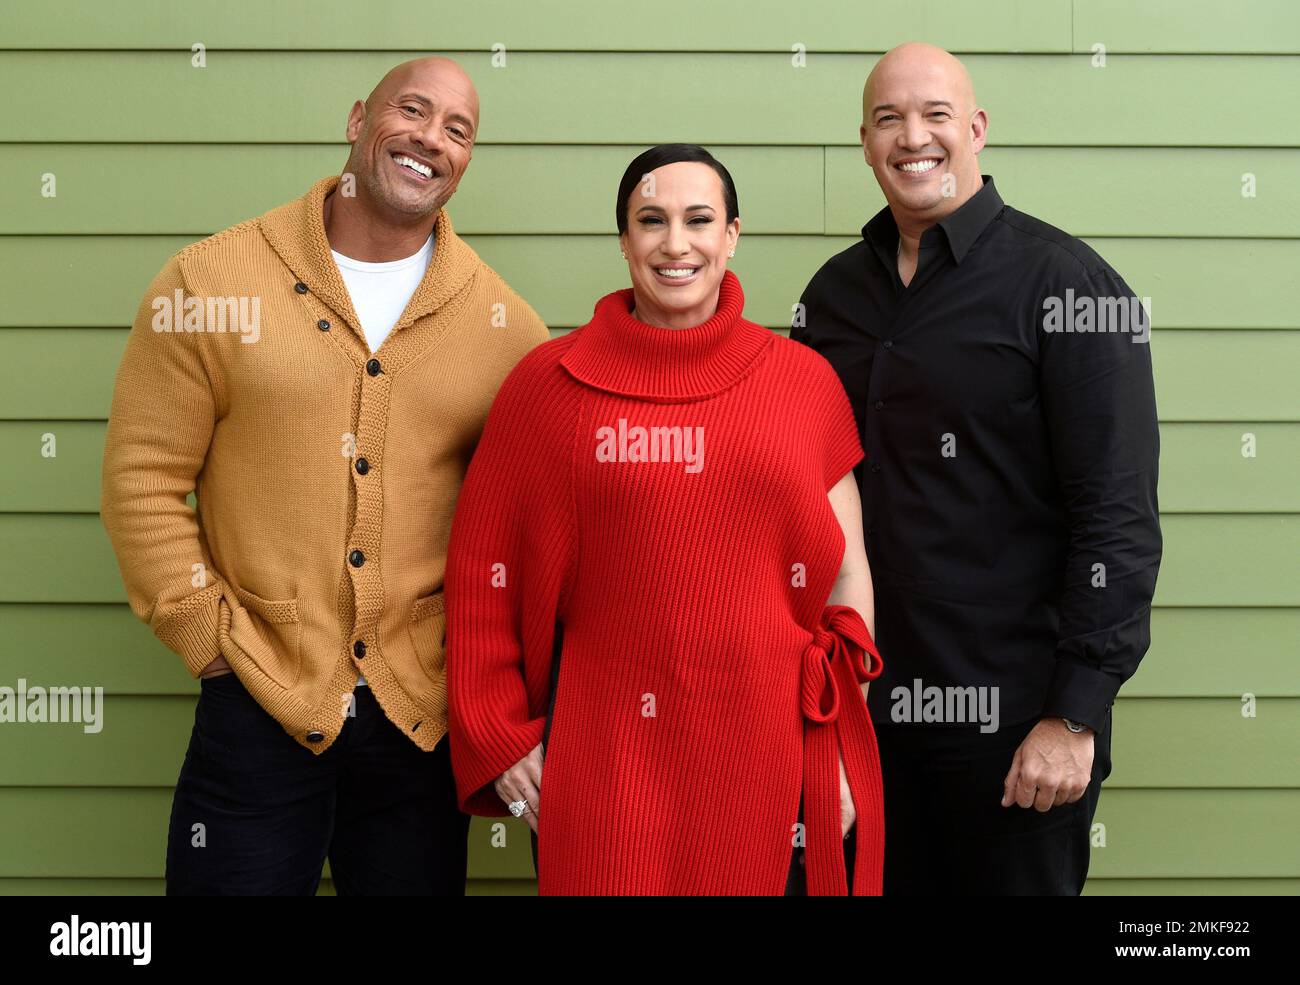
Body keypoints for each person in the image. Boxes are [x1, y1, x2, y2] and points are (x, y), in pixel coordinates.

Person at [100, 57, 549, 894]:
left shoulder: (503, 325)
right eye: (411, 110)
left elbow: (529, 526)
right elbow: (142, 479)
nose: (431, 138)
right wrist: (209, 641)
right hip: (257, 698)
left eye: (457, 130)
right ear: (356, 120)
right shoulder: (212, 281)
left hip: (419, 721)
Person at [445, 144, 884, 895]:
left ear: (732, 235)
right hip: (604, 761)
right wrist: (501, 739)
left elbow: (847, 576)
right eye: (651, 221)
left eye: (699, 220)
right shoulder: (546, 387)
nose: (676, 243)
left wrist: (845, 744)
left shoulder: (803, 383)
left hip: (771, 757)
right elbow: (482, 579)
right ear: (624, 240)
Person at [792, 42, 1162, 895]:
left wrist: (1075, 714)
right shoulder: (832, 296)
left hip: (1015, 728)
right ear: (864, 141)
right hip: (861, 715)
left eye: (936, 114)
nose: (912, 137)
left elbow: (1117, 517)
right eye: (888, 119)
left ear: (978, 129)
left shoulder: (1069, 287)